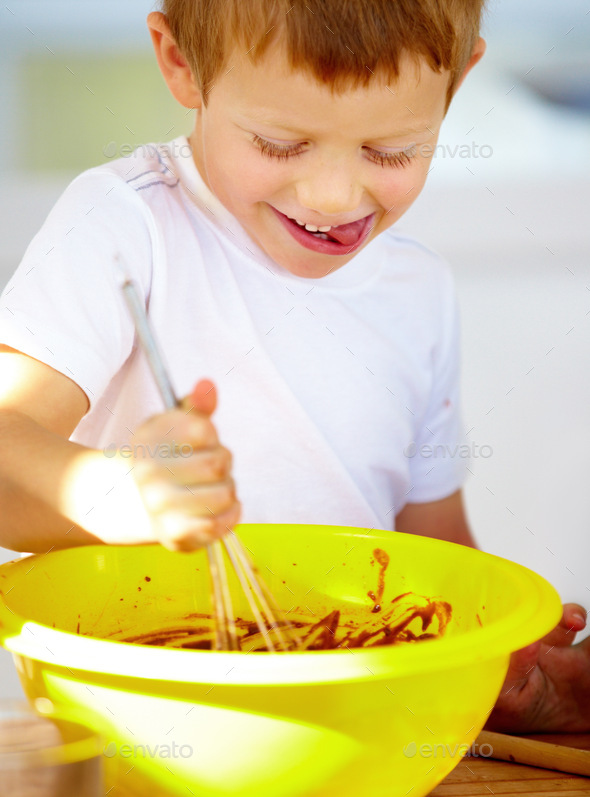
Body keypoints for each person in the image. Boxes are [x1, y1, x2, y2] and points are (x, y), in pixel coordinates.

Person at [0, 0, 588, 734]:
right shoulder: (124, 224)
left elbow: (431, 553)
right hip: (146, 732)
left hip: (359, 738)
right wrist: (117, 493)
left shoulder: (419, 292)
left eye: (392, 150)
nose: (332, 196)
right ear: (181, 62)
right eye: (281, 143)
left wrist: (502, 660)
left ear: (460, 82)